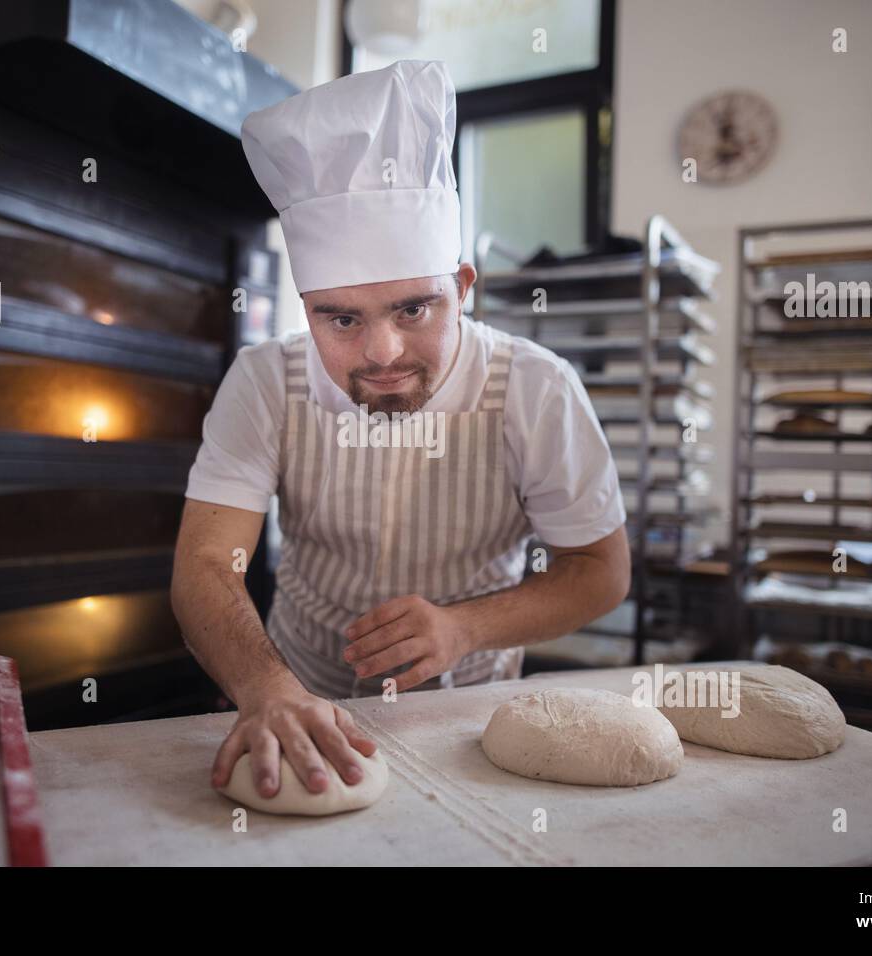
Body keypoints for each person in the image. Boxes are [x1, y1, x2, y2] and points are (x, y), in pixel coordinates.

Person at [170, 60, 630, 802]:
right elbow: (204, 566)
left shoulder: (535, 389)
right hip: (298, 697)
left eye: (414, 309)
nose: (381, 354)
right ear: (306, 305)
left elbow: (600, 571)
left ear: (463, 288)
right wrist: (264, 686)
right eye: (341, 318)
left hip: (474, 712)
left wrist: (466, 627)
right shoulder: (263, 382)